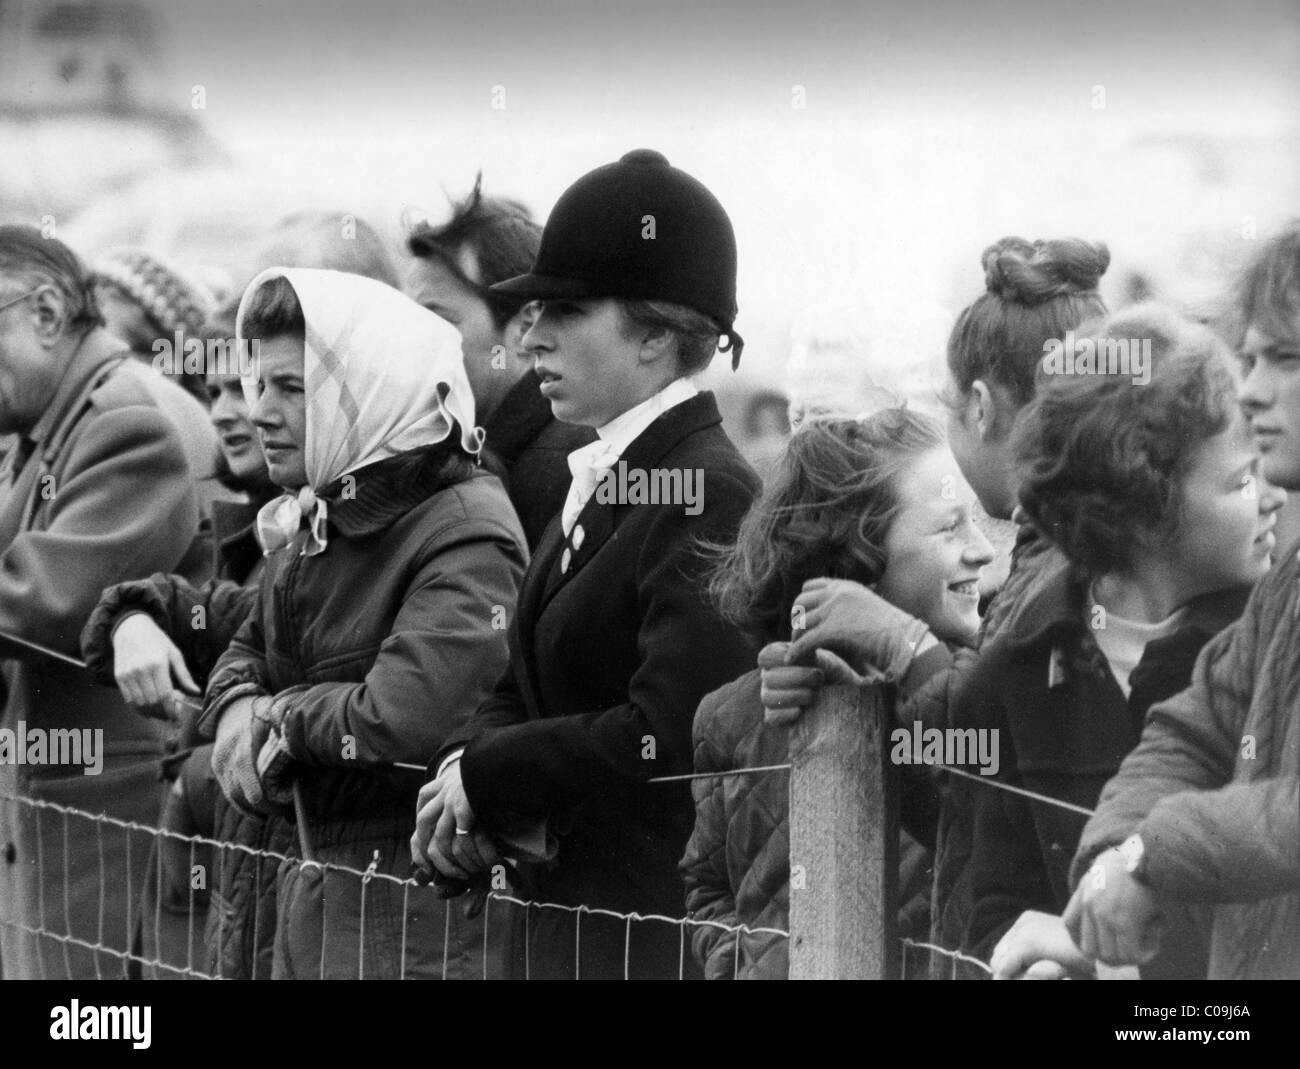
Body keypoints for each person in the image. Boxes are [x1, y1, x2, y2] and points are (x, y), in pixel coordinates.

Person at [411, 149, 762, 980]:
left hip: (644, 947)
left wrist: (488, 776)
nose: (531, 335)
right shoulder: (608, 469)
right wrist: (471, 779)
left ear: (657, 332)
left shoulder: (707, 489)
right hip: (566, 931)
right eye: (531, 312)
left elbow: (668, 736)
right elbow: (516, 681)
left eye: (564, 310)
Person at [757, 236, 1112, 973]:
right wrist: (851, 684)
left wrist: (905, 646)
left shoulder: (1071, 575)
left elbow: (1008, 760)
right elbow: (982, 805)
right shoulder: (1062, 554)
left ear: (980, 407)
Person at [962, 306, 1283, 979]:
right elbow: (996, 911)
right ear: (1145, 511)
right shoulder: (1013, 671)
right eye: (1242, 480)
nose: (1274, 497)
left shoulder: (1272, 641)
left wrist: (1090, 948)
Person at [1065, 224, 1300, 980]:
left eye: (1285, 358)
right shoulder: (1290, 580)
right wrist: (1113, 854)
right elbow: (1191, 732)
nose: (1251, 388)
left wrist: (1150, 853)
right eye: (1251, 355)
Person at [681, 410, 994, 978]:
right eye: (950, 528)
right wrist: (742, 963)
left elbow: (987, 802)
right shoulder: (732, 716)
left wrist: (908, 651)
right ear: (859, 554)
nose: (983, 550)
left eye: (975, 522)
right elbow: (707, 885)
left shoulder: (986, 689)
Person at [0, 226, 201, 979]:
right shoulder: (55, 422)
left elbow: (46, 600)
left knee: (93, 1023)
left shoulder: (124, 418)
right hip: (64, 793)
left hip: (105, 803)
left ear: (46, 313)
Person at [80, 296, 278, 978]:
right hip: (206, 876)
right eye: (214, 388)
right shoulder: (234, 530)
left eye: (249, 386)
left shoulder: (307, 540)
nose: (226, 410)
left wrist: (190, 773)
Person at [405, 176, 594, 549]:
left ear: (526, 327)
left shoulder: (574, 469)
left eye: (436, 321)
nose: (410, 345)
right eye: (405, 324)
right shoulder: (460, 455)